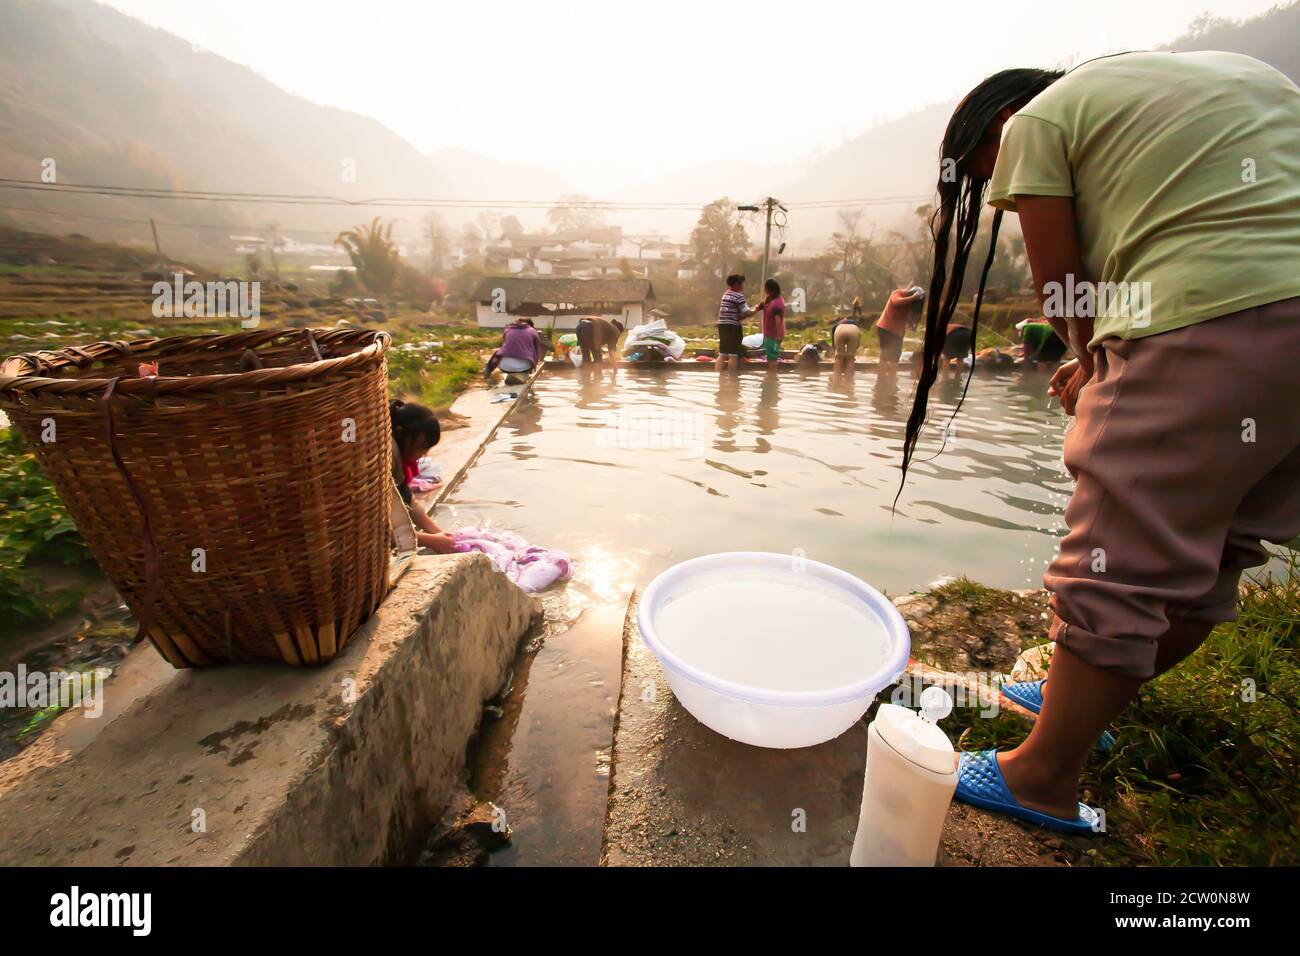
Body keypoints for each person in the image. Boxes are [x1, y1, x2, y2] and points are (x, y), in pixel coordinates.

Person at [898, 52, 1300, 834]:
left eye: (998, 182)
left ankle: (1041, 776)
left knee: (1116, 552)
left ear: (997, 130)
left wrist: (1093, 363)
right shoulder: (1242, 77)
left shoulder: (1038, 122)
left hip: (1211, 313)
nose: (1009, 200)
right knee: (1217, 546)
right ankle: (1079, 712)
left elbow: (1063, 287)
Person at [390, 399, 455, 554]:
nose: (424, 454)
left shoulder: (397, 453)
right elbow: (378, 533)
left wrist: (440, 534)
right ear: (400, 433)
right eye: (421, 447)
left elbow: (407, 499)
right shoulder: (387, 457)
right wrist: (432, 541)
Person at [874, 287, 923, 364]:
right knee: (885, 354)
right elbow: (896, 301)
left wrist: (912, 324)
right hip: (885, 328)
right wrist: (913, 297)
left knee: (896, 355)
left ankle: (892, 375)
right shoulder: (898, 293)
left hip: (898, 332)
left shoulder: (911, 304)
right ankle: (881, 375)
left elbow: (908, 317)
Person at [716, 273, 754, 373]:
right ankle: (732, 382)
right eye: (742, 283)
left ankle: (719, 378)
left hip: (722, 325)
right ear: (737, 284)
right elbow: (747, 312)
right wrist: (758, 308)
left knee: (723, 354)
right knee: (733, 355)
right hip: (732, 327)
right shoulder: (738, 296)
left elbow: (739, 315)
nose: (743, 286)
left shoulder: (725, 295)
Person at [759, 278, 785, 369]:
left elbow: (778, 320)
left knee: (772, 358)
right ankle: (771, 377)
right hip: (769, 335)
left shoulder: (776, 303)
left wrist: (778, 335)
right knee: (771, 357)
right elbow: (760, 306)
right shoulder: (771, 301)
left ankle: (772, 378)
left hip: (773, 336)